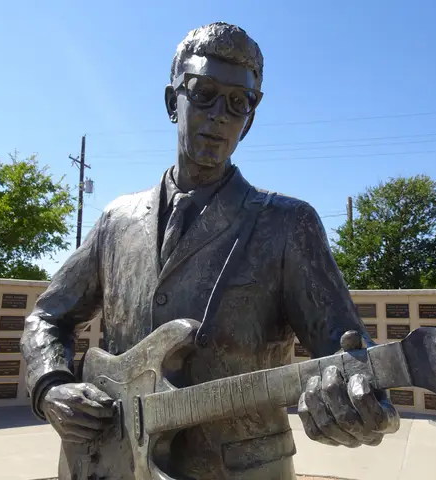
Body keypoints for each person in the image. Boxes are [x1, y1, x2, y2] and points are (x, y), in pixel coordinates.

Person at [21, 21, 400, 480]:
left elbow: (349, 353)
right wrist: (50, 385)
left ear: (250, 119)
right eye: (203, 93)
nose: (220, 115)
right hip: (112, 462)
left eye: (238, 103)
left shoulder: (288, 224)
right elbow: (48, 316)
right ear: (171, 102)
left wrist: (358, 400)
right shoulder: (115, 220)